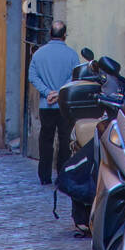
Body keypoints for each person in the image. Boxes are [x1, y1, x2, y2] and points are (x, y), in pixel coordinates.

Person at [28, 21, 79, 185]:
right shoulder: (72, 55)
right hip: (64, 104)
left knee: (46, 140)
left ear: (50, 33)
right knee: (64, 140)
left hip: (46, 104)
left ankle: (44, 176)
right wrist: (59, 92)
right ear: (64, 35)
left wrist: (47, 92)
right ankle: (62, 175)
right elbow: (75, 77)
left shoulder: (39, 54)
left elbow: (32, 76)